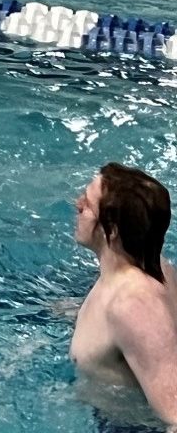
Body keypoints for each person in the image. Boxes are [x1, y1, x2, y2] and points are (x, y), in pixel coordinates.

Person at [69, 163, 177, 427]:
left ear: (112, 229)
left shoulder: (133, 305)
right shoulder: (149, 265)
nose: (77, 205)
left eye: (88, 203)